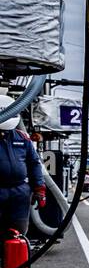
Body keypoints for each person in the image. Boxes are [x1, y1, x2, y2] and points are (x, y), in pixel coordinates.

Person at [0, 94, 45, 239]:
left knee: (18, 233)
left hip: (19, 192)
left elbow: (34, 164)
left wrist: (39, 189)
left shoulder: (22, 138)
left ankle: (17, 261)